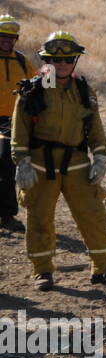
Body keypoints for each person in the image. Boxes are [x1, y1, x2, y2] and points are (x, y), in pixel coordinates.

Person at [12, 31, 106, 289]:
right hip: (41, 167)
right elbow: (19, 132)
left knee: (94, 216)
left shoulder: (84, 89)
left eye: (67, 60)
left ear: (74, 61)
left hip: (77, 166)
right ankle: (43, 271)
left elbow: (94, 127)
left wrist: (100, 156)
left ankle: (103, 269)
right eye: (54, 60)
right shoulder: (32, 90)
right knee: (40, 219)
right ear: (45, 61)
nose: (61, 65)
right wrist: (22, 162)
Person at [0, 14, 31, 232]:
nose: (6, 41)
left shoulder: (21, 61)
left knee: (7, 167)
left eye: (11, 38)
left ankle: (7, 216)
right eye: (2, 36)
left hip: (12, 122)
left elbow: (40, 85)